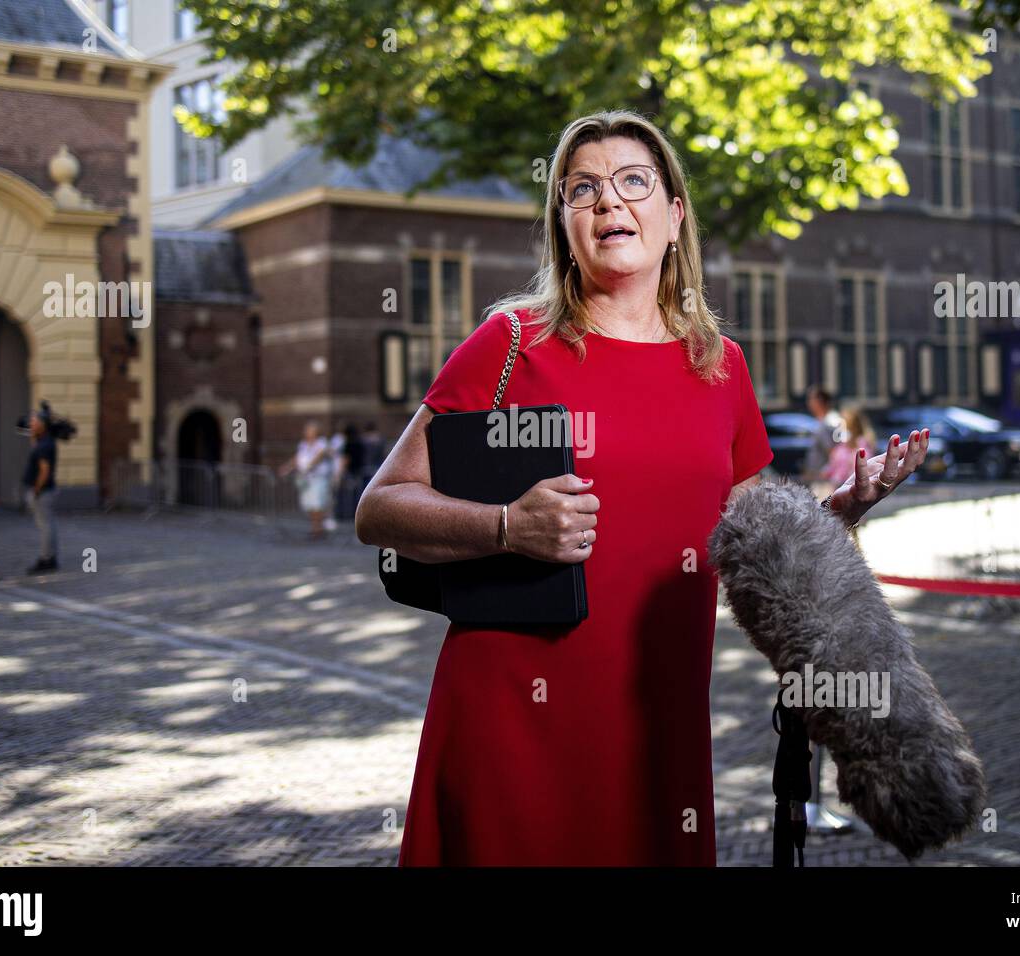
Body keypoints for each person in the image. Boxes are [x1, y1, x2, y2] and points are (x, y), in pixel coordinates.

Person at [355, 110, 932, 867]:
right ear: (565, 223)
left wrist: (847, 507)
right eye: (582, 188)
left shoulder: (719, 365)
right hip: (511, 716)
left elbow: (756, 538)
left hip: (658, 715)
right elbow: (379, 508)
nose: (608, 202)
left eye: (633, 181)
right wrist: (506, 526)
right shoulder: (511, 344)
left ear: (673, 215)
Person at [279, 421, 336, 538]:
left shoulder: (321, 443)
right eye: (306, 430)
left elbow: (319, 456)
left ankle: (319, 528)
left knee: (317, 503)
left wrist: (308, 466)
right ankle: (314, 527)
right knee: (309, 504)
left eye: (310, 430)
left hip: (318, 478)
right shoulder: (303, 444)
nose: (307, 433)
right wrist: (287, 467)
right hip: (306, 479)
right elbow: (297, 458)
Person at [23, 407, 59, 574]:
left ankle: (47, 559)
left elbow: (44, 470)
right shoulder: (44, 441)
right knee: (47, 524)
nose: (31, 424)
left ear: (42, 424)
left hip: (43, 491)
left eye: (34, 421)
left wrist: (37, 489)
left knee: (45, 526)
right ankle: (50, 556)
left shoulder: (45, 444)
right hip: (45, 490)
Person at [801, 384, 843, 501]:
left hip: (824, 482)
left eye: (811, 399)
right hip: (820, 480)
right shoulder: (825, 421)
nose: (809, 403)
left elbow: (833, 452)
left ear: (820, 401)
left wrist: (825, 472)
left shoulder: (827, 423)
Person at [821, 406, 877, 489]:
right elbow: (831, 468)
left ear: (854, 428)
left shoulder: (863, 448)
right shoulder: (840, 448)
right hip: (836, 490)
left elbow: (865, 472)